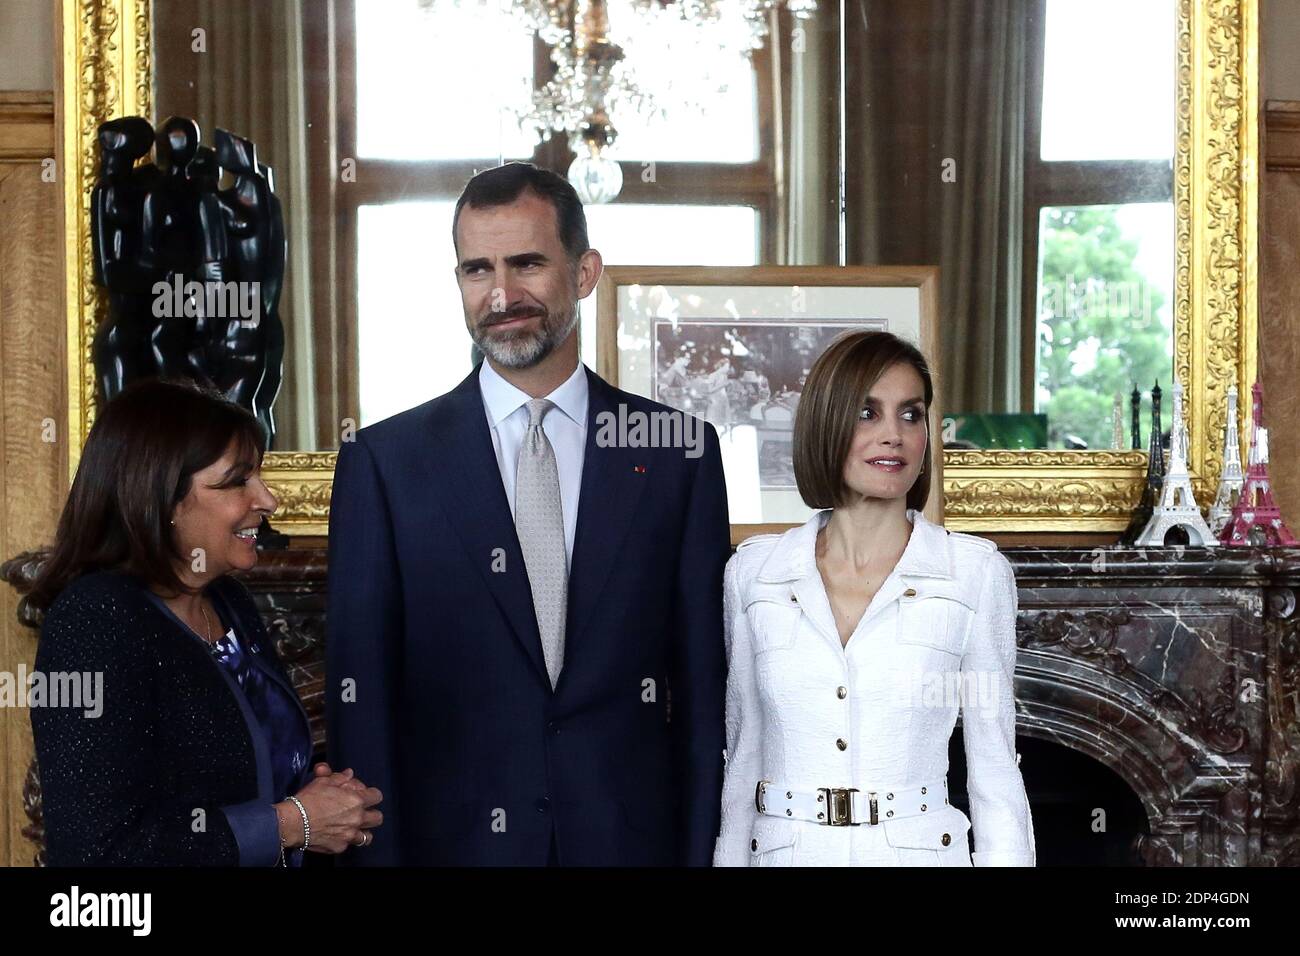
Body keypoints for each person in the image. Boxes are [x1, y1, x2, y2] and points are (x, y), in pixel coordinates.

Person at [326, 162, 731, 866]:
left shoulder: (679, 454)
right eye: (477, 269)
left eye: (528, 264)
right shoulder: (385, 463)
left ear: (584, 272)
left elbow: (704, 698)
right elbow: (363, 710)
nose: (502, 294)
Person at [713, 330, 1035, 866]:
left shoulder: (974, 574)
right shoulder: (755, 573)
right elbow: (743, 758)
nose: (894, 435)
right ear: (827, 422)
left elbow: (995, 771)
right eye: (868, 413)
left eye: (910, 415)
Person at [29, 379, 383, 865]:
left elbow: (250, 775)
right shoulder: (95, 620)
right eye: (238, 481)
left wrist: (317, 800)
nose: (267, 500)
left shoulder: (227, 600)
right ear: (162, 498)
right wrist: (294, 821)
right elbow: (100, 850)